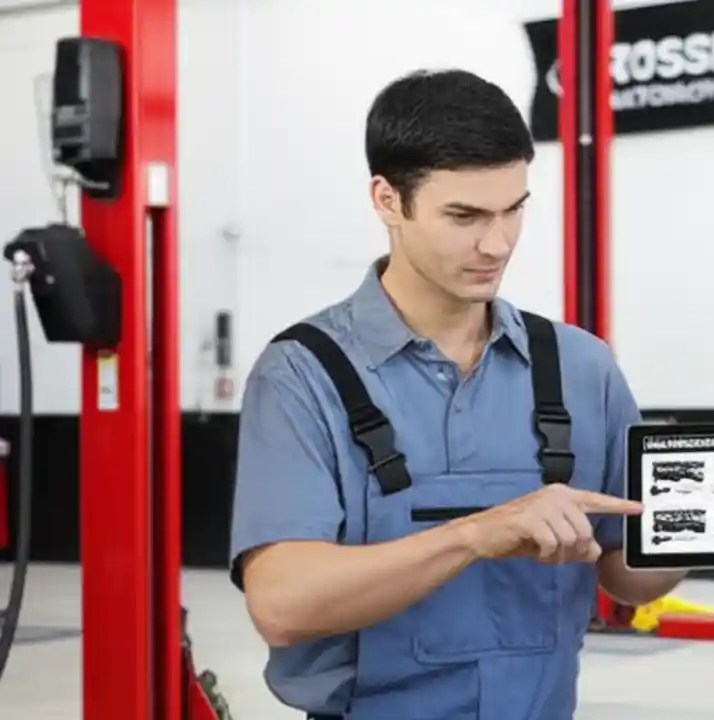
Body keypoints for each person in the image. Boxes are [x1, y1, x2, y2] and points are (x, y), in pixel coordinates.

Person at [228, 68, 685, 720]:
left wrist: (706, 525)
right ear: (388, 200)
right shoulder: (303, 376)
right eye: (464, 216)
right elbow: (283, 606)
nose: (497, 244)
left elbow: (626, 577)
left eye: (514, 210)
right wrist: (476, 535)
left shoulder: (581, 367)